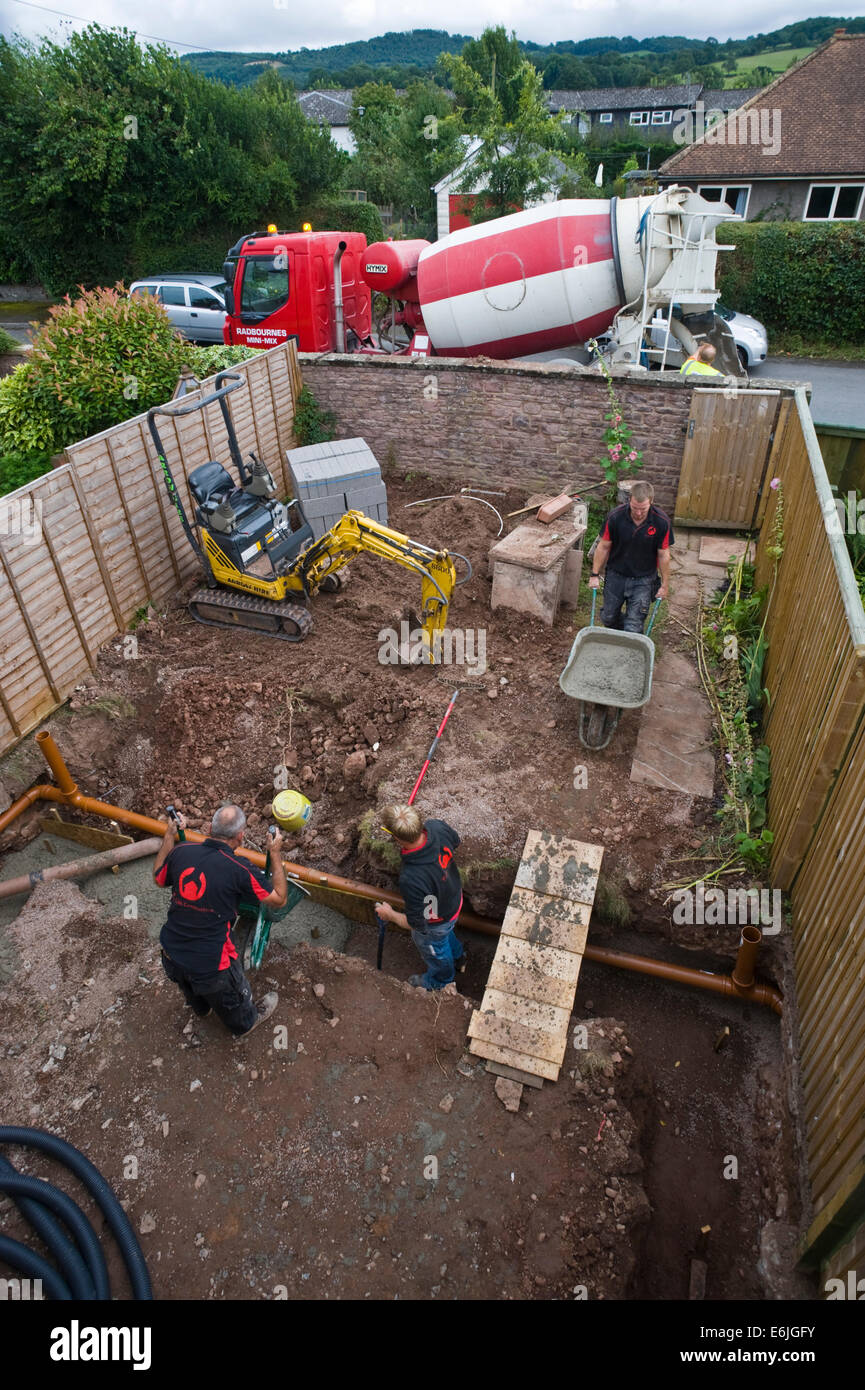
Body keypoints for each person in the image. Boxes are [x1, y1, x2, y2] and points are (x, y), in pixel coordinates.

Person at [154, 804, 287, 1038]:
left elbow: (158, 877)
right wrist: (274, 853)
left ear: (209, 828)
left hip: (170, 953)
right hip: (211, 966)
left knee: (193, 992)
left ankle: (202, 1009)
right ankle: (244, 1022)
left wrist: (168, 835)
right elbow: (279, 899)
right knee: (233, 1000)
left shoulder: (181, 850)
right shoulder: (240, 869)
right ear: (240, 836)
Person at [374, 805, 465, 991]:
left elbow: (416, 924)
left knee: (435, 949)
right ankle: (459, 956)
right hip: (454, 900)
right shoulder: (437, 827)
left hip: (436, 922)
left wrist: (389, 914)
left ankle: (440, 981)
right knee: (445, 934)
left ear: (397, 838)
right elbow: (455, 840)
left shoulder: (411, 878)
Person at [588, 480, 673, 633]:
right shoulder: (615, 516)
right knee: (608, 618)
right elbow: (603, 546)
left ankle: (631, 637)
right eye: (635, 508)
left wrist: (665, 585)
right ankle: (624, 631)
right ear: (630, 500)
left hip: (644, 579)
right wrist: (594, 574)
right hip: (616, 575)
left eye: (643, 509)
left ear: (651, 502)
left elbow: (663, 555)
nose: (638, 513)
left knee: (634, 625)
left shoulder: (661, 522)